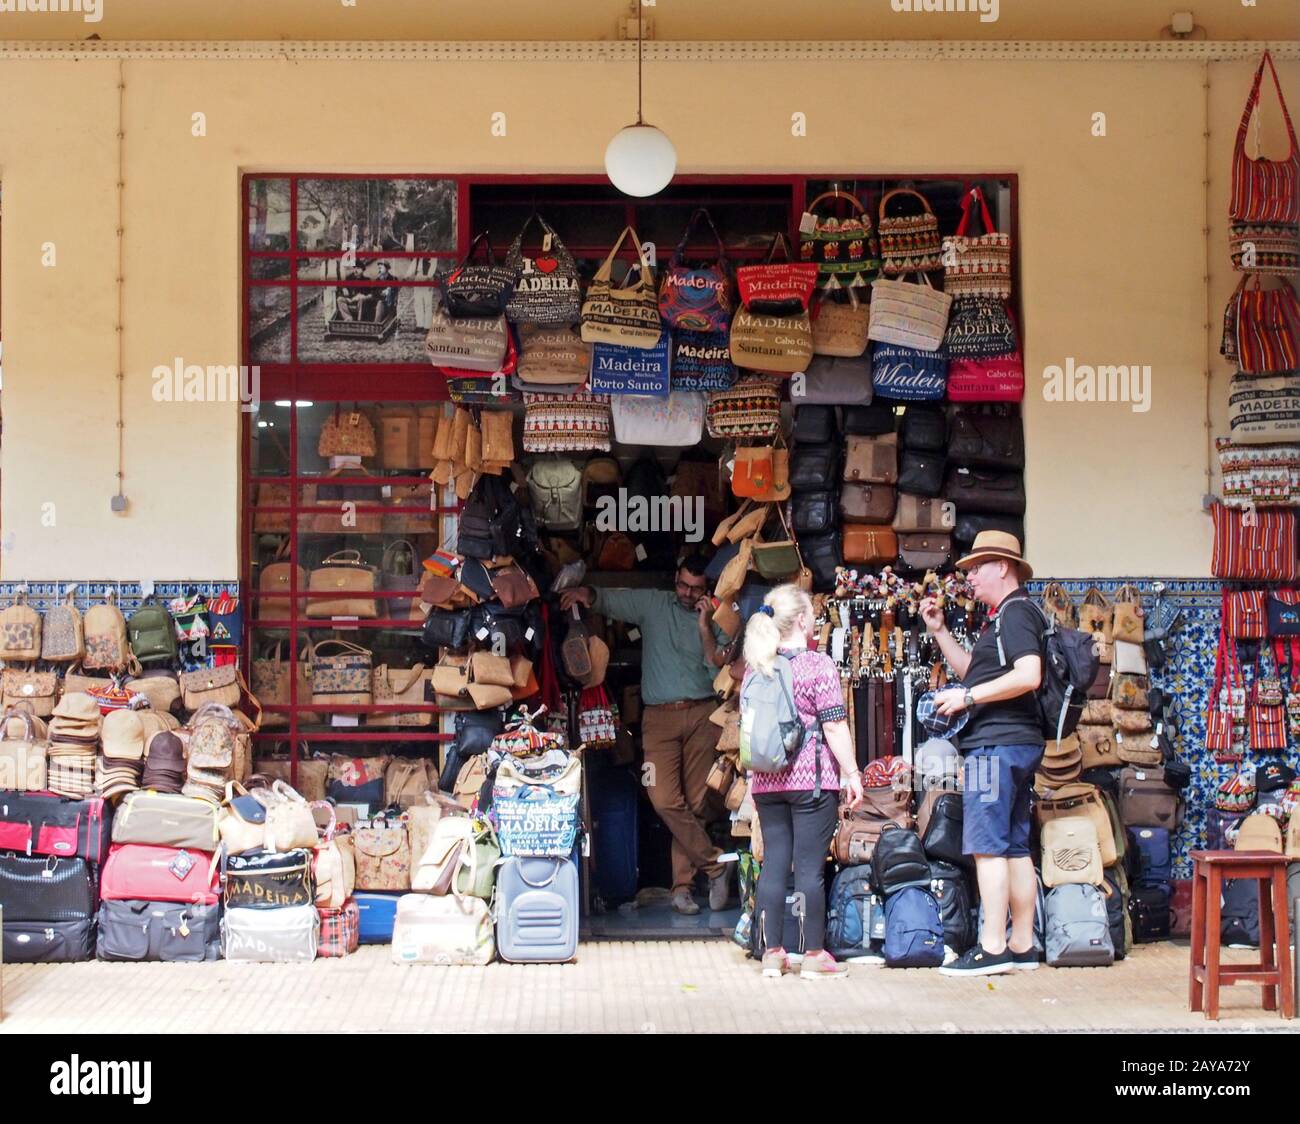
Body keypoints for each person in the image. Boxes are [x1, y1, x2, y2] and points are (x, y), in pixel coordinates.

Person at [559, 554, 734, 915]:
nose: (687, 593)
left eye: (695, 589)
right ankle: (716, 866)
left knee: (698, 804)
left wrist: (704, 626)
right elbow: (612, 598)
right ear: (675, 578)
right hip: (659, 719)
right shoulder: (655, 602)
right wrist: (584, 593)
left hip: (705, 713)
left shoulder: (717, 618)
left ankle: (682, 887)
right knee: (664, 800)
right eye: (683, 585)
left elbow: (717, 664)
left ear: (707, 590)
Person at [918, 531, 1045, 977]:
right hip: (1015, 743)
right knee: (1013, 845)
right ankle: (1022, 944)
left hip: (996, 745)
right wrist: (939, 632)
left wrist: (967, 701)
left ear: (1003, 567)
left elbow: (1029, 675)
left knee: (987, 847)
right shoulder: (1007, 617)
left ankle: (992, 949)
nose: (969, 577)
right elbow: (976, 674)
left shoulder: (1015, 614)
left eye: (977, 568)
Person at [741, 584, 864, 980]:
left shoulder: (755, 668)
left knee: (774, 863)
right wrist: (852, 773)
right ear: (804, 620)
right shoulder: (817, 665)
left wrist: (750, 779)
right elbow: (834, 726)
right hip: (811, 781)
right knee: (810, 869)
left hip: (767, 782)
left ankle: (772, 953)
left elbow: (749, 730)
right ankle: (814, 955)